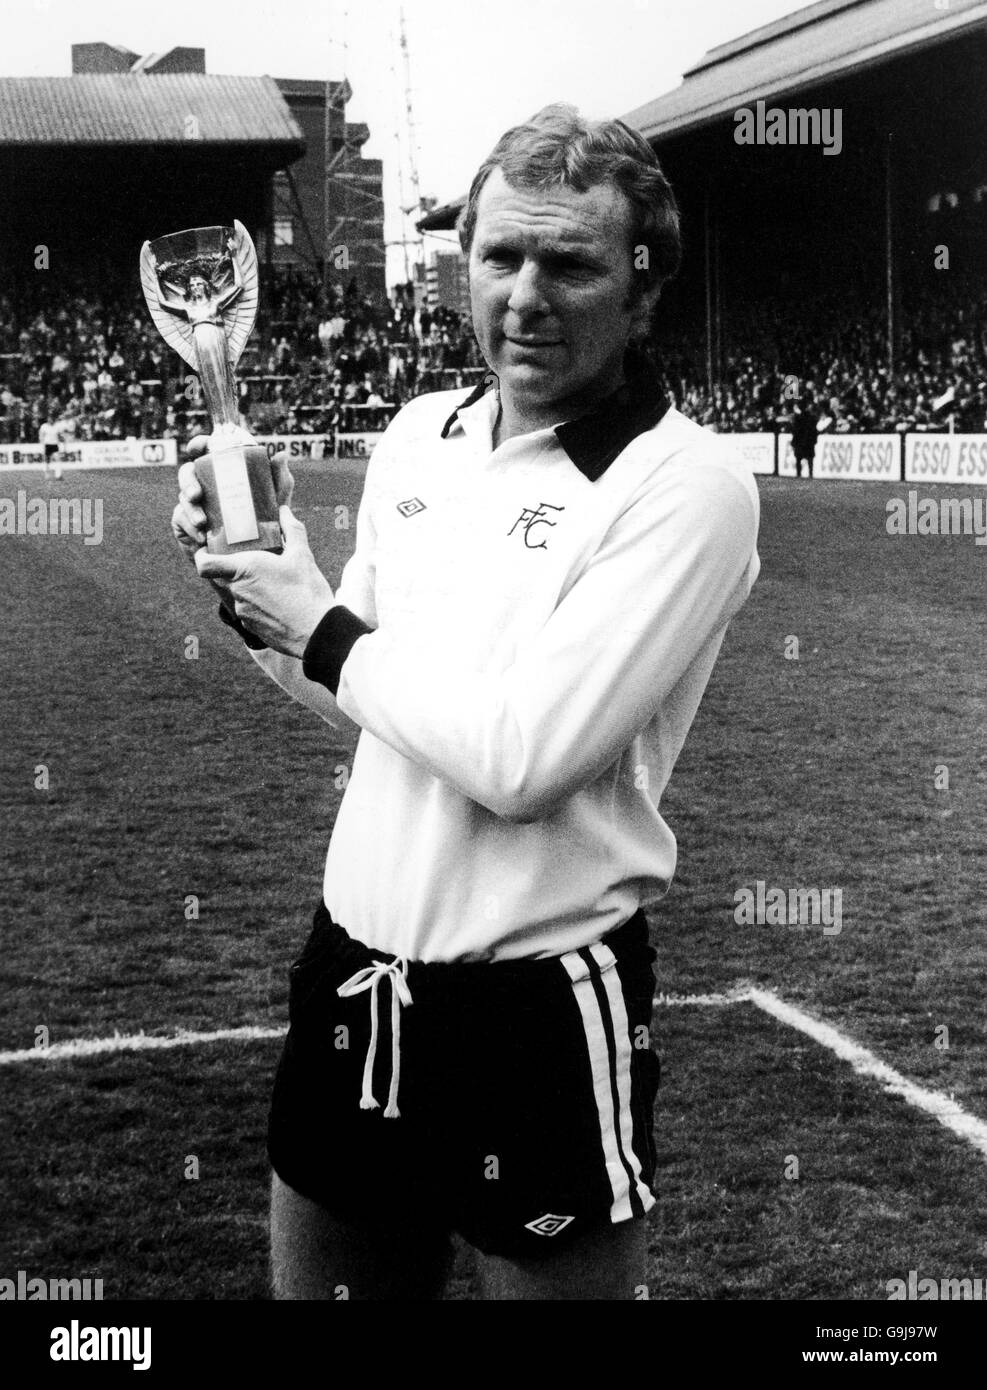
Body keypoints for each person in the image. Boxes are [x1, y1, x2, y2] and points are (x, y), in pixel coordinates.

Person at [171, 104, 760, 1301]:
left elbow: (523, 760)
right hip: (353, 973)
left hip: (533, 1009)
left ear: (644, 285)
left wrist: (319, 625)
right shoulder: (418, 436)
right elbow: (362, 697)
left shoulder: (687, 484)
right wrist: (258, 581)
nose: (526, 296)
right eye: (501, 256)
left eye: (571, 263)